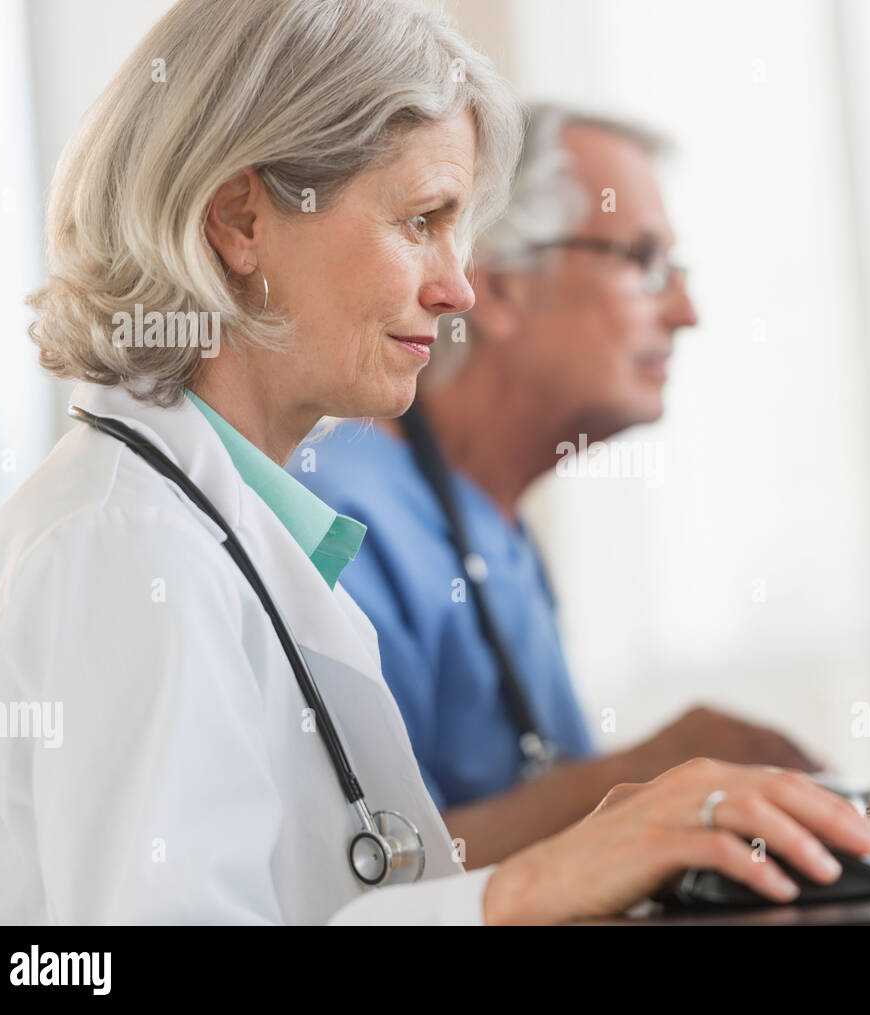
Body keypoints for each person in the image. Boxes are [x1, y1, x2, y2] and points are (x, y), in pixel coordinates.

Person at [0, 0, 870, 926]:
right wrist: (520, 889)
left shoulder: (232, 528)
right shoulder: (127, 545)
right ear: (241, 221)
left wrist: (597, 847)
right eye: (420, 221)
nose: (458, 288)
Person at [289, 105, 821, 867]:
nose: (686, 311)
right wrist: (652, 772)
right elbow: (368, 876)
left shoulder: (493, 527)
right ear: (499, 291)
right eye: (643, 259)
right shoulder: (344, 516)